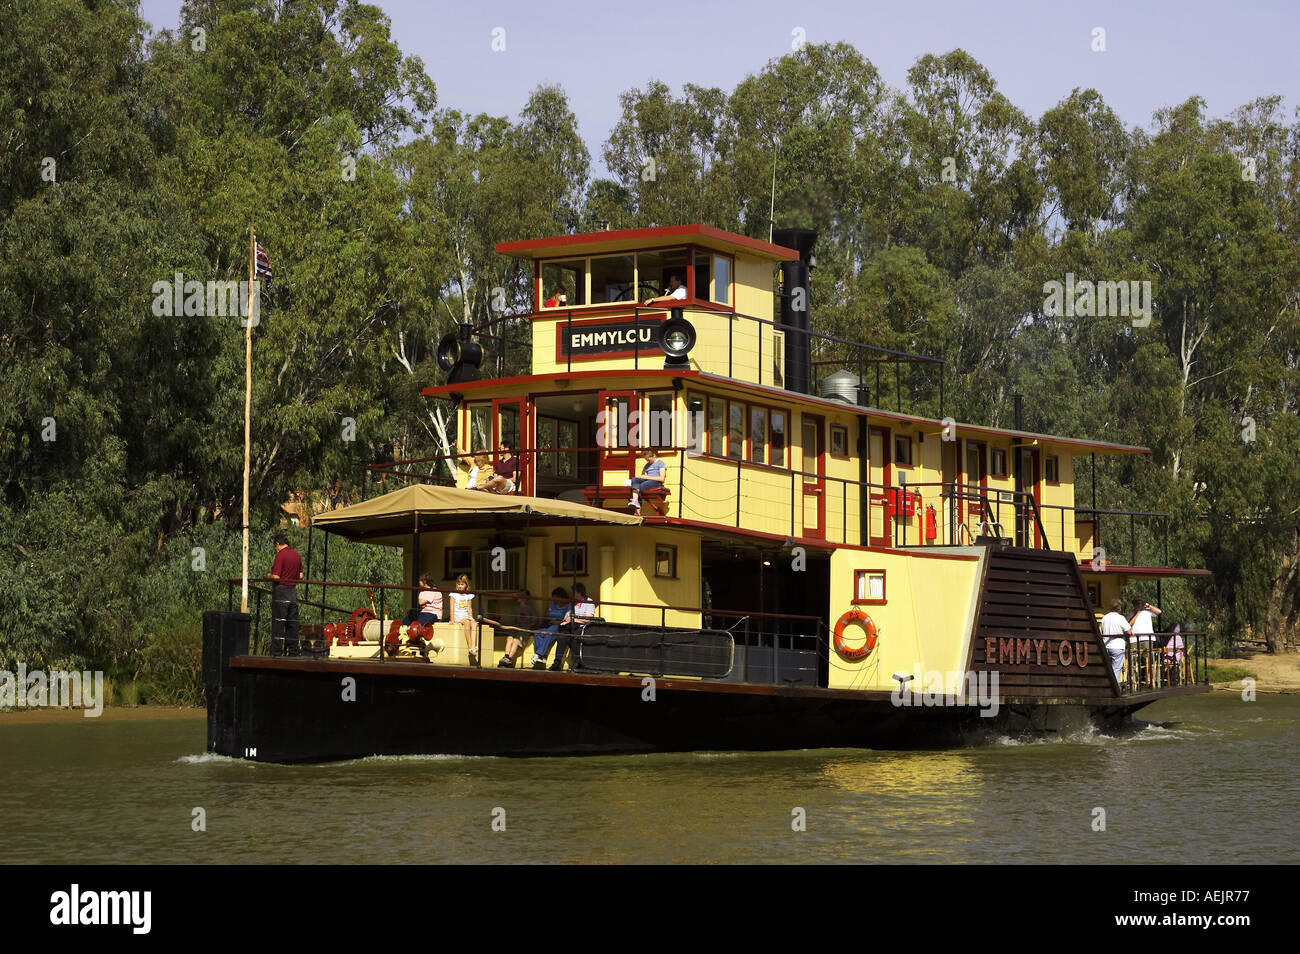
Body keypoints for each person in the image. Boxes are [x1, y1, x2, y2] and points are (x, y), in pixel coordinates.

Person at [548, 581, 596, 672]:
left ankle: (576, 664)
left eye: (574, 592)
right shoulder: (572, 603)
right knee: (562, 637)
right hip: (571, 626)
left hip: (583, 626)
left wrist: (573, 620)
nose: (572, 594)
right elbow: (567, 615)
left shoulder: (589, 602)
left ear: (579, 593)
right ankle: (557, 662)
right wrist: (565, 621)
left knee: (573, 637)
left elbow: (588, 618)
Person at [268, 533, 303, 655]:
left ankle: (276, 652)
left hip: (281, 592)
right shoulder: (297, 555)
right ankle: (293, 652)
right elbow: (300, 576)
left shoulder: (280, 555)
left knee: (279, 622)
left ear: (277, 544)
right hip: (293, 592)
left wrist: (269, 576)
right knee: (292, 624)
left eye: (275, 546)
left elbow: (276, 576)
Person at [497, 590, 539, 668]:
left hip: (524, 631)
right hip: (516, 628)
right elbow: (513, 620)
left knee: (516, 641)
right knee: (509, 639)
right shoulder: (515, 608)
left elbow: (535, 620)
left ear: (526, 598)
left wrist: (528, 626)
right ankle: (506, 656)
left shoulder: (529, 609)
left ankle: (509, 659)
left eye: (522, 595)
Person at [531, 587, 570, 667]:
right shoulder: (553, 605)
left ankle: (538, 654)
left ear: (561, 597)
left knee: (549, 633)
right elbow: (547, 614)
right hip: (549, 623)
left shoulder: (568, 606)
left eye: (556, 597)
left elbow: (567, 620)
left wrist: (557, 621)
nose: (554, 599)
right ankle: (540, 657)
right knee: (537, 633)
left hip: (559, 626)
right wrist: (551, 619)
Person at [1129, 598, 1161, 687]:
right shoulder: (1131, 613)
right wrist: (1137, 613)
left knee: (1149, 659)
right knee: (1134, 660)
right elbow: (1129, 624)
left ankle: (1149, 680)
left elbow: (1159, 612)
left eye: (1140, 604)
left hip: (1147, 638)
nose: (1138, 606)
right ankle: (1135, 681)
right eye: (1136, 604)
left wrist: (1149, 606)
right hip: (1134, 640)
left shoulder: (1148, 611)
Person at [1099, 598, 1132, 685]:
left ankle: (1106, 686)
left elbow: (1102, 631)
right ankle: (1114, 688)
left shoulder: (1104, 618)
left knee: (1108, 668)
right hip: (1117, 646)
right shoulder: (1121, 618)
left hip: (1106, 646)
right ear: (1119, 608)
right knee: (1116, 669)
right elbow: (1129, 632)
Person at [628, 448, 667, 514]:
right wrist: (641, 477)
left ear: (654, 456)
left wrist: (647, 477)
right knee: (634, 479)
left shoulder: (660, 463)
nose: (647, 461)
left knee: (638, 487)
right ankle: (635, 501)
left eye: (648, 460)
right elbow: (645, 476)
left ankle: (637, 511)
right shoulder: (647, 465)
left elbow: (662, 479)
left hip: (656, 482)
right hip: (647, 481)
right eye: (646, 460)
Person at [449, 574, 478, 663]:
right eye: (458, 584)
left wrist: (471, 617)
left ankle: (473, 646)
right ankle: (470, 646)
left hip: (466, 615)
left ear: (466, 585)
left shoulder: (468, 596)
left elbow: (469, 608)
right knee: (467, 623)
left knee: (474, 623)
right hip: (458, 616)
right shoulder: (453, 594)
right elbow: (452, 607)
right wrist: (452, 619)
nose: (460, 586)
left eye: (462, 584)